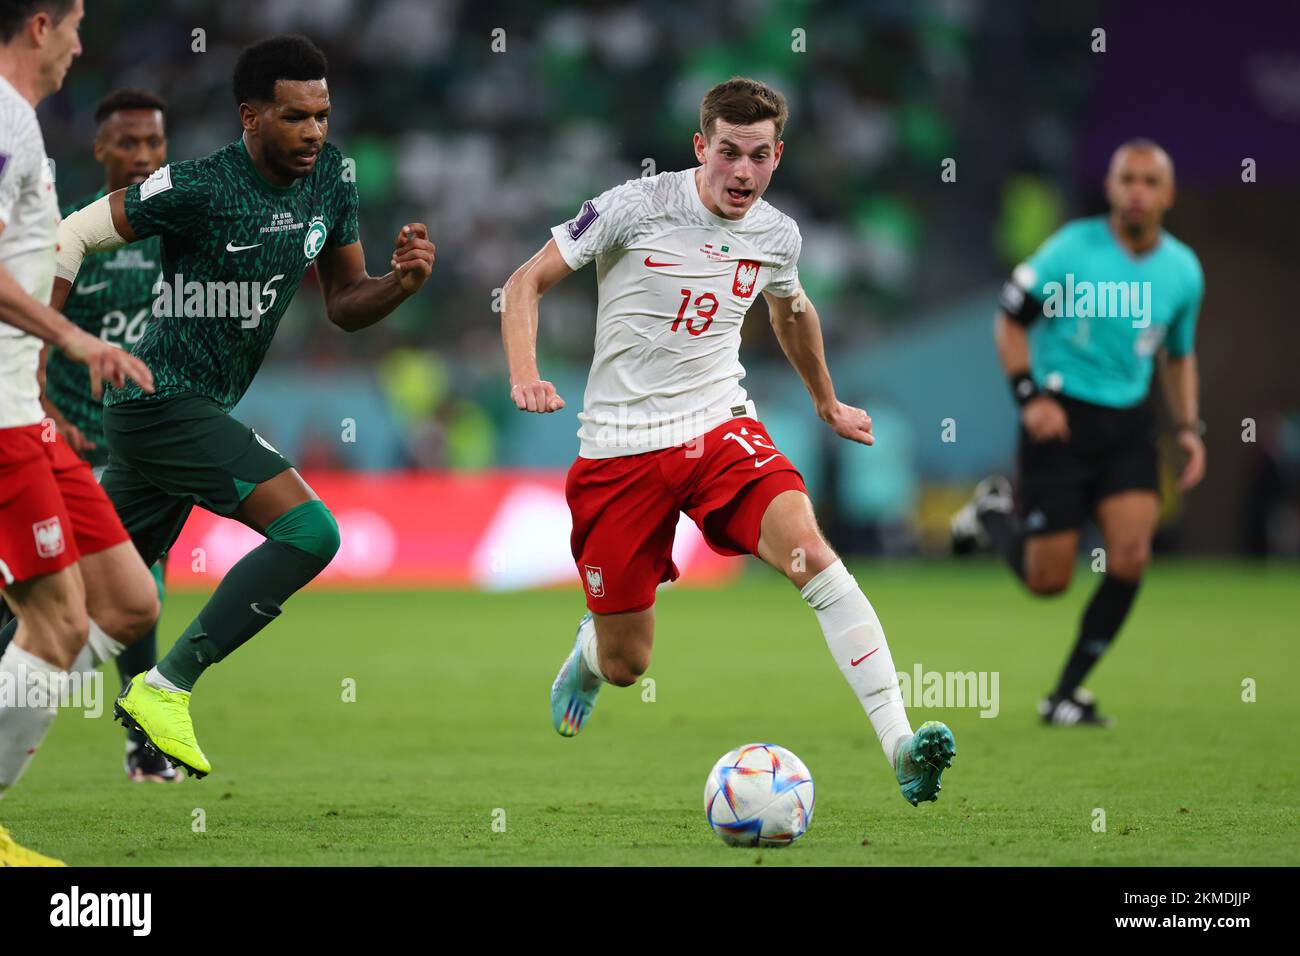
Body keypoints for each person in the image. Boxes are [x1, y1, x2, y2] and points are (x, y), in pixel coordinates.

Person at [502, 77, 955, 807]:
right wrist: (525, 375)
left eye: (760, 155)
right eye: (728, 153)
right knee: (628, 665)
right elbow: (525, 282)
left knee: (816, 559)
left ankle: (899, 744)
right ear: (699, 147)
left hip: (720, 428)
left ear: (779, 155)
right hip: (619, 450)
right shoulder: (634, 206)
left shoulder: (778, 233)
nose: (743, 171)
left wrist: (827, 402)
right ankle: (590, 654)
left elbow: (792, 311)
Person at [49, 33, 435, 779]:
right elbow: (72, 233)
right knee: (310, 531)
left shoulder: (332, 179)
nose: (315, 132)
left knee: (73, 594)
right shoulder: (199, 186)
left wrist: (400, 285)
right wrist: (54, 341)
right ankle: (166, 688)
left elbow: (346, 304)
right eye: (295, 117)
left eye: (322, 114)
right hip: (161, 401)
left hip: (171, 418)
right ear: (250, 117)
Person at [952, 139, 1205, 726]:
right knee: (1048, 582)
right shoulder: (1070, 250)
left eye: (1149, 181)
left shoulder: (1183, 271)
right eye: (1127, 180)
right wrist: (1029, 396)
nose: (1137, 191)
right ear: (1111, 188)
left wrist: (1189, 428)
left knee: (1131, 557)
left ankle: (1064, 695)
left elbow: (1179, 356)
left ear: (1167, 194)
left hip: (1128, 428)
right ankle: (992, 511)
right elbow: (1009, 321)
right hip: (1060, 420)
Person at [0, 0, 158, 866]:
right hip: (1, 422)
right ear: (37, 26)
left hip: (28, 414)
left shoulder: (22, 124)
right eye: (73, 26)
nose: (79, 44)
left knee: (132, 604)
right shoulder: (5, 118)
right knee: (55, 629)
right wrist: (70, 337)